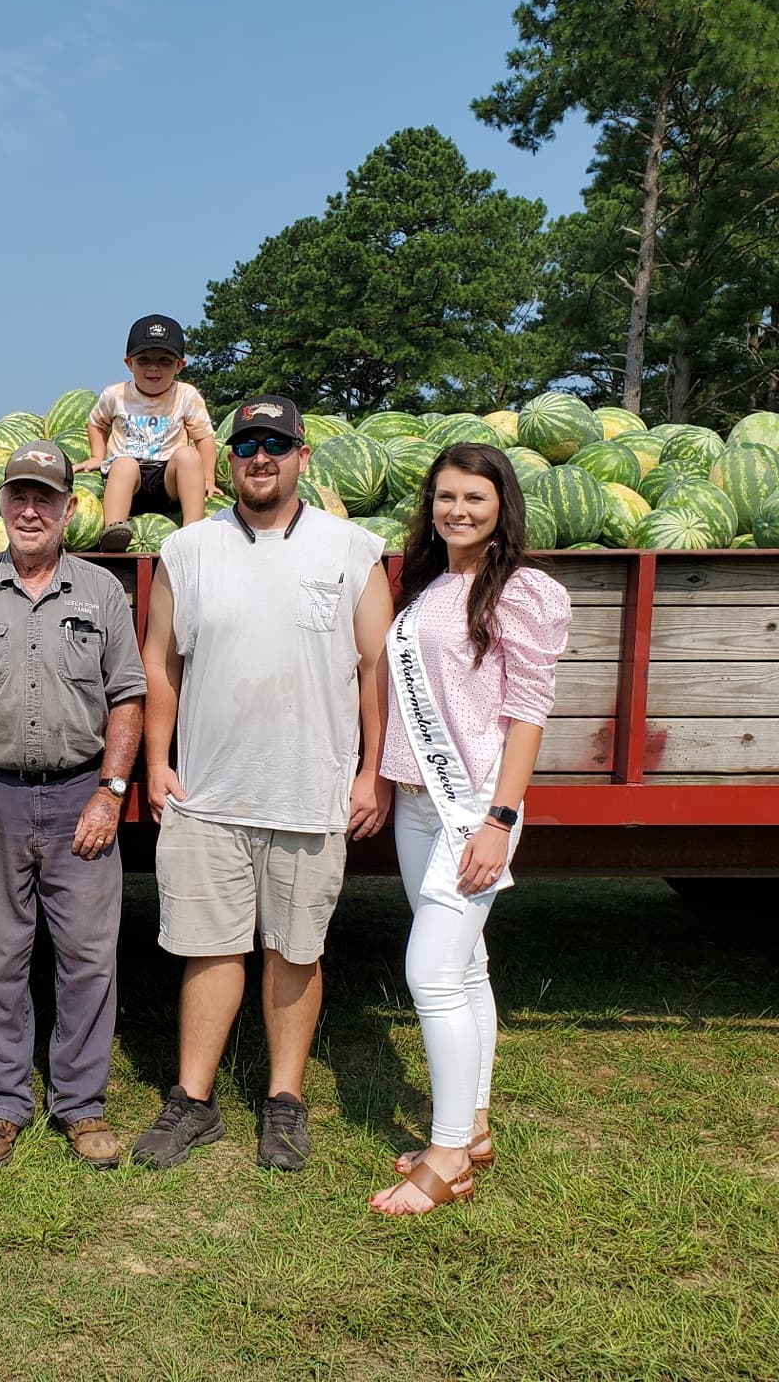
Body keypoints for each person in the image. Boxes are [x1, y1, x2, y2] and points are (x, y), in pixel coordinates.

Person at [135, 395, 393, 1171]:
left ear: (303, 458)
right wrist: (156, 760)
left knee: (294, 950)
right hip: (209, 792)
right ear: (229, 459)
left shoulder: (354, 550)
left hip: (310, 790)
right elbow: (160, 662)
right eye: (246, 443)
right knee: (208, 951)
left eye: (275, 444)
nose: (259, 457)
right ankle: (194, 1101)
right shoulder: (188, 551)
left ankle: (284, 1102)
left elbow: (378, 668)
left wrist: (370, 772)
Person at [369, 443, 570, 1216]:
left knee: (431, 975)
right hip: (419, 803)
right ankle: (474, 1126)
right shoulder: (427, 586)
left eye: (474, 500)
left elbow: (528, 715)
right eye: (446, 497)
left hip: (473, 808)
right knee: (470, 968)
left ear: (501, 508)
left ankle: (449, 1158)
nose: (457, 510)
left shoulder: (523, 591)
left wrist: (498, 819)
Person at [0, 441, 146, 1169]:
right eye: (18, 496)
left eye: (45, 498)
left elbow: (127, 695)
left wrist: (110, 793)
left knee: (89, 959)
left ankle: (81, 1106)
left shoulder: (100, 592)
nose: (31, 510)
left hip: (78, 796)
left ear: (69, 508)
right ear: (1, 504)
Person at [79, 314, 222, 552]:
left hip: (168, 477)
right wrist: (97, 456)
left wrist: (208, 480)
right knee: (124, 465)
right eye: (144, 359)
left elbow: (204, 439)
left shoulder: (186, 395)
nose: (154, 368)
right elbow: (96, 423)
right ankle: (113, 531)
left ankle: (193, 532)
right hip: (128, 480)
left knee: (188, 455)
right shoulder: (115, 395)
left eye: (165, 360)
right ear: (129, 363)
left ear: (179, 365)